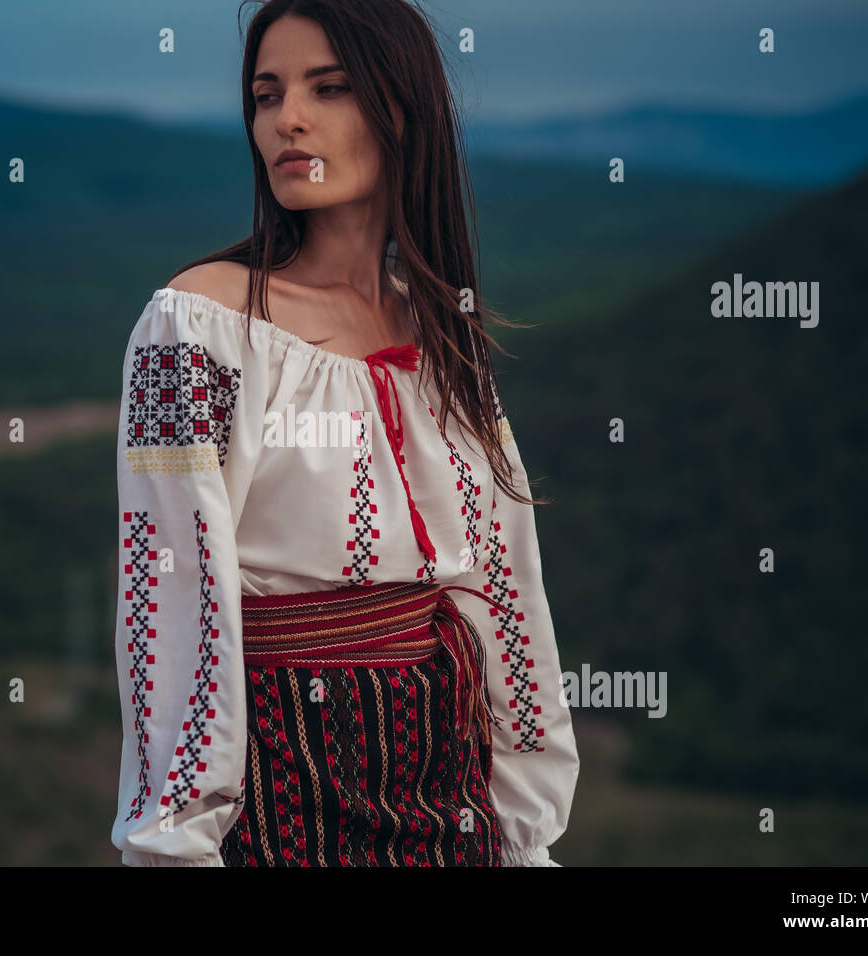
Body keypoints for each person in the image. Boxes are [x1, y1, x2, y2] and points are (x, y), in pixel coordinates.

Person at [111, 0, 578, 866]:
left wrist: (526, 832)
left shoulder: (441, 335)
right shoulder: (195, 327)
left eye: (329, 88)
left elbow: (505, 586)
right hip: (289, 779)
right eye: (265, 94)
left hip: (450, 784)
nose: (286, 119)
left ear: (404, 109)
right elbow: (172, 595)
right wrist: (176, 845)